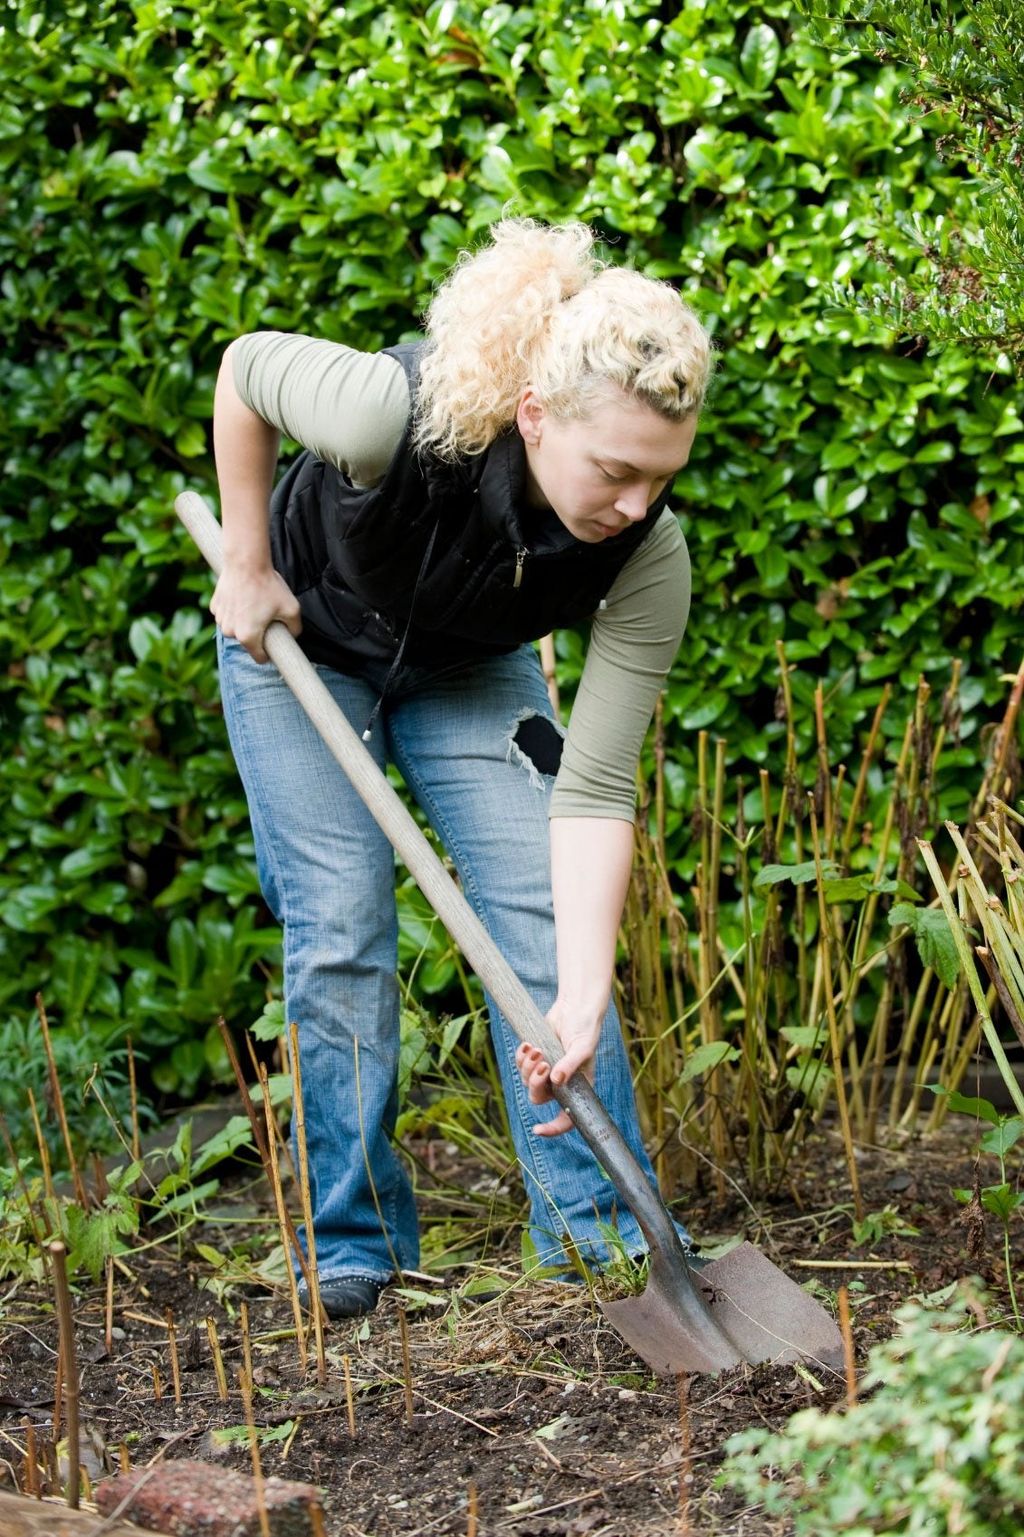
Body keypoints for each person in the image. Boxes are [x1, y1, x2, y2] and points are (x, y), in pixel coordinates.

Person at [210, 218, 711, 1319]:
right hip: (302, 639)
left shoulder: (648, 553)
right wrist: (246, 564)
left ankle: (598, 1241)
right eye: (616, 472)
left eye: (659, 480)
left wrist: (578, 998)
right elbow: (244, 368)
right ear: (534, 415)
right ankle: (351, 1242)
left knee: (539, 928)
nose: (633, 507)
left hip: (468, 669)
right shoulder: (385, 408)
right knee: (340, 928)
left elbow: (592, 788)